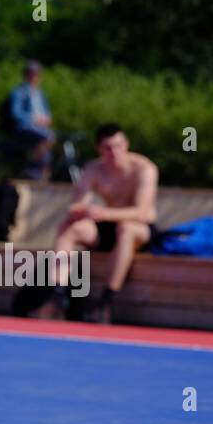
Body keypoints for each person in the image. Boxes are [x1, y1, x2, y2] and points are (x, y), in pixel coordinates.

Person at [39, 123, 158, 324]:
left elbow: (142, 212)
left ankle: (106, 302)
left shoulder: (144, 169)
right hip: (109, 226)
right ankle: (57, 297)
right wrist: (79, 211)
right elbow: (77, 203)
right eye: (108, 148)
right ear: (99, 149)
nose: (114, 152)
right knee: (69, 229)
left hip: (140, 230)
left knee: (126, 228)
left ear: (126, 144)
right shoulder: (94, 169)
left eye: (118, 146)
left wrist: (102, 213)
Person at [5, 59, 55, 180]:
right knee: (49, 137)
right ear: (26, 75)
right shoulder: (18, 93)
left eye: (37, 74)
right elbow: (15, 113)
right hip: (25, 128)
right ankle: (31, 163)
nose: (35, 77)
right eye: (32, 74)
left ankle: (40, 177)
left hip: (40, 129)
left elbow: (46, 112)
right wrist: (33, 118)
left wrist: (46, 119)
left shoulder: (41, 94)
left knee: (47, 153)